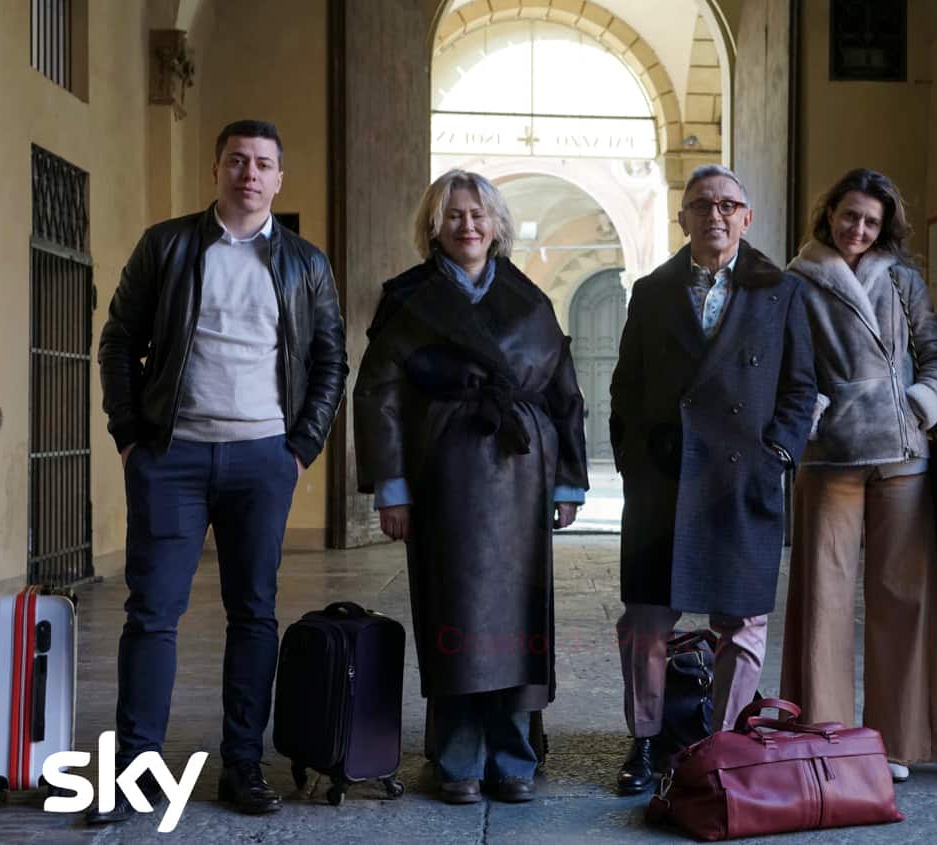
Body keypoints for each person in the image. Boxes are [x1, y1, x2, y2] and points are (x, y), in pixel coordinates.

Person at [94, 119, 348, 822]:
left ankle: (243, 765)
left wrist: (300, 447)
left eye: (264, 163)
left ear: (278, 178)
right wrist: (129, 439)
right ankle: (136, 771)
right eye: (237, 160)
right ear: (216, 170)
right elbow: (119, 339)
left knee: (254, 612)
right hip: (171, 458)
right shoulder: (168, 245)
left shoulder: (305, 263)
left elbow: (331, 359)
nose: (249, 174)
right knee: (152, 613)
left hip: (263, 458)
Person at [352, 169, 588, 805]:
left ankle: (513, 754)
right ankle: (457, 756)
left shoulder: (529, 296)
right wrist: (393, 488)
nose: (468, 225)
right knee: (452, 613)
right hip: (443, 476)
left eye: (479, 214)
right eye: (454, 215)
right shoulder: (407, 298)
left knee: (518, 620)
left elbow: (564, 391)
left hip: (521, 475)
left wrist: (568, 483)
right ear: (435, 224)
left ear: (498, 224)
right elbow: (379, 393)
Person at [609, 164, 817, 795]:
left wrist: (777, 455)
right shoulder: (650, 291)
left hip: (741, 478)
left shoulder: (780, 292)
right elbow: (624, 386)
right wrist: (633, 462)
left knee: (742, 623)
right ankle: (644, 742)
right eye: (701, 205)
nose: (715, 215)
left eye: (729, 205)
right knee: (645, 623)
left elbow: (801, 387)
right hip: (664, 482)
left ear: (746, 219)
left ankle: (719, 745)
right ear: (684, 219)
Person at [778, 168, 937, 782]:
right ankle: (824, 732)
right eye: (849, 215)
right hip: (829, 455)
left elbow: (936, 351)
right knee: (822, 598)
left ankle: (896, 740)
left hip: (903, 450)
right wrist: (816, 414)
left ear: (885, 229)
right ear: (829, 213)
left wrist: (920, 401)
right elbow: (785, 364)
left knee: (903, 597)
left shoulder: (903, 279)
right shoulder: (796, 282)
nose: (858, 228)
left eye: (871, 221)